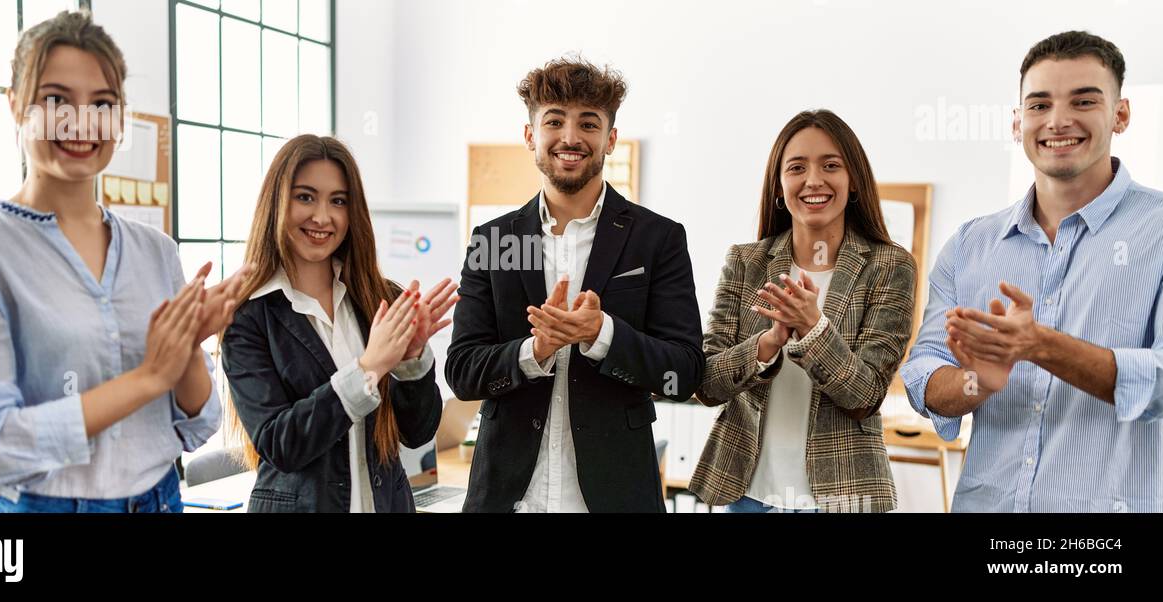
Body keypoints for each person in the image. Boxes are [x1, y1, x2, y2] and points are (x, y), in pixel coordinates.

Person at [0, 11, 239, 513]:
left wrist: (186, 351)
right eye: (55, 100)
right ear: (14, 105)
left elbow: (198, 425)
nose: (81, 122)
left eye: (103, 104)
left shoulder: (156, 250)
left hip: (162, 500)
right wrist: (147, 377)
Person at [902, 31, 1163, 512]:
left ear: (1121, 114)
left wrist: (1042, 346)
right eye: (1039, 104)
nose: (1058, 121)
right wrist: (977, 382)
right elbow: (923, 374)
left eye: (1083, 101)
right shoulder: (970, 245)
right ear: (1017, 121)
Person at [446, 56, 704, 513]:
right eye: (554, 121)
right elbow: (463, 371)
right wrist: (534, 352)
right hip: (509, 497)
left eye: (589, 123)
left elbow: (682, 373)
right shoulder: (493, 240)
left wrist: (601, 334)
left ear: (610, 139)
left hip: (616, 496)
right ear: (530, 136)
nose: (570, 137)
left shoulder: (658, 239)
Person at [690, 110, 916, 513]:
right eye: (797, 168)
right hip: (747, 494)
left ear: (854, 182)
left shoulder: (889, 265)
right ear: (780, 187)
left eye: (831, 165)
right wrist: (767, 343)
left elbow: (866, 394)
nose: (813, 180)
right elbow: (707, 384)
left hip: (845, 497)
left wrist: (813, 329)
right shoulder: (746, 262)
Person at [221, 135, 454, 512]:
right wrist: (368, 368)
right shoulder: (248, 316)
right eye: (305, 197)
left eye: (338, 201)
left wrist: (411, 364)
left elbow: (418, 433)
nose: (322, 217)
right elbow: (282, 444)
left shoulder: (381, 298)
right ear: (277, 202)